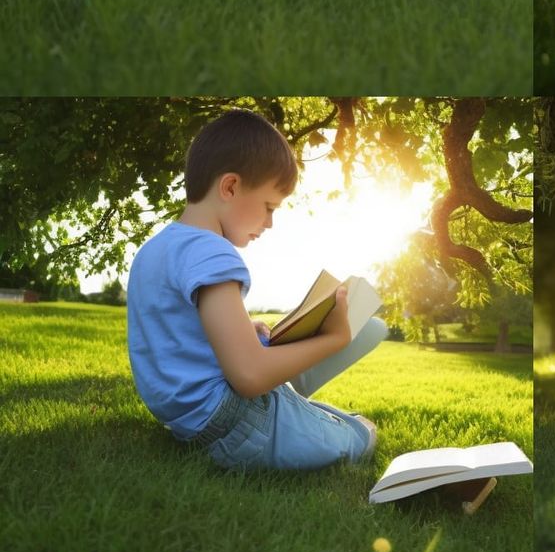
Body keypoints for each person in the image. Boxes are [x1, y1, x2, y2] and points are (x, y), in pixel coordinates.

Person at [126, 108, 386, 471]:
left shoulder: (154, 251)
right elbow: (248, 377)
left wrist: (244, 330)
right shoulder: (211, 250)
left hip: (194, 420)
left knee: (371, 328)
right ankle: (306, 399)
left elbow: (173, 335)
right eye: (268, 207)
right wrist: (335, 338)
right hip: (239, 424)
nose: (270, 223)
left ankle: (295, 392)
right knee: (359, 435)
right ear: (230, 187)